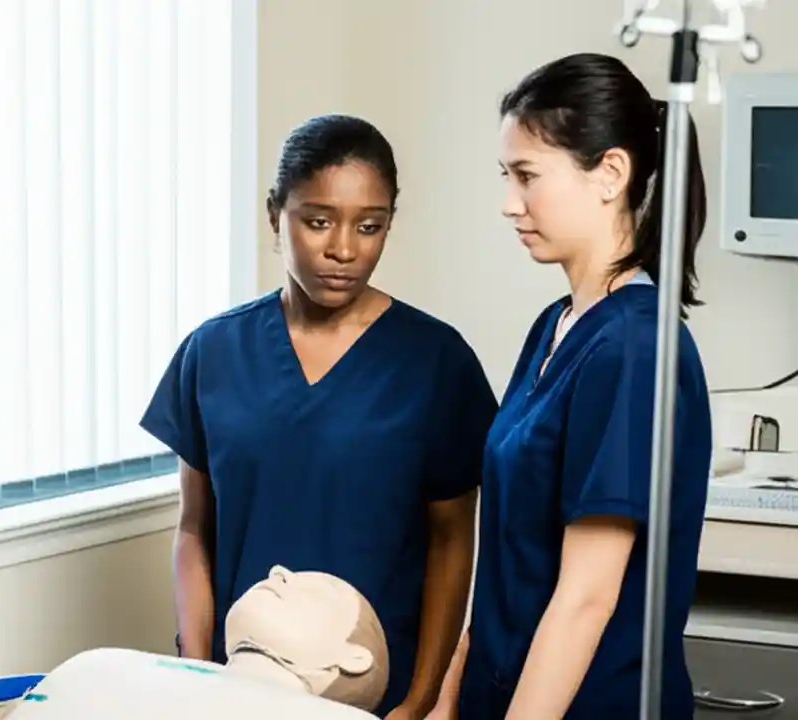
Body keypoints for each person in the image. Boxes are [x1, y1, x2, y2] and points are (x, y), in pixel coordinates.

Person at [141, 114, 499, 719]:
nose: (343, 249)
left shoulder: (436, 362)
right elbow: (196, 529)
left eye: (369, 226)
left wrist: (422, 698)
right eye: (317, 221)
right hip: (243, 686)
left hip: (380, 695)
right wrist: (198, 669)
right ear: (273, 215)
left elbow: (452, 541)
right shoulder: (214, 353)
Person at [427, 53, 714, 719]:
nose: (509, 204)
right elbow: (506, 559)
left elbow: (588, 597)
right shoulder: (555, 327)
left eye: (528, 176)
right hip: (497, 692)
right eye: (506, 176)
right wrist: (449, 699)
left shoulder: (634, 349)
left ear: (611, 173)